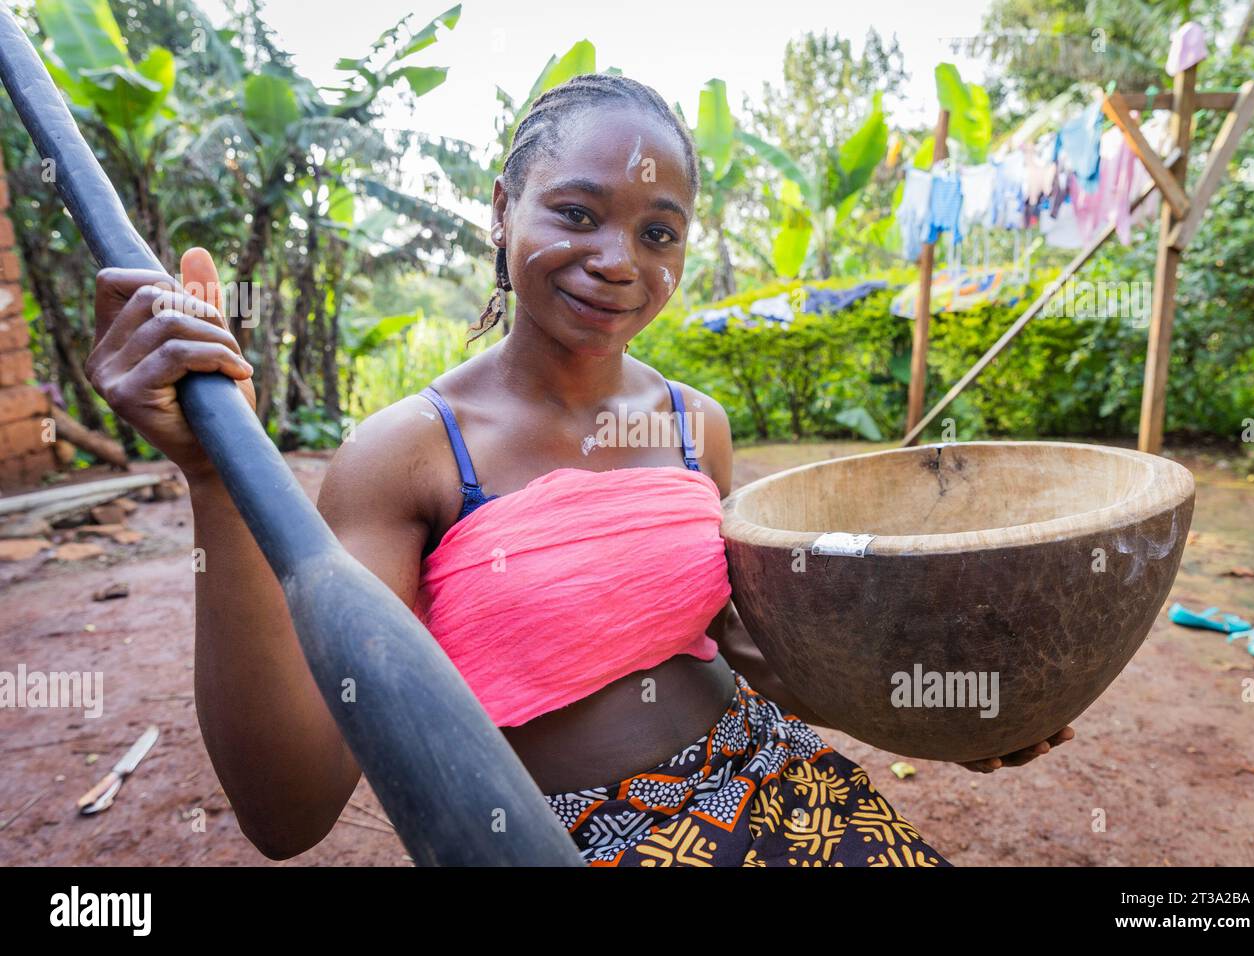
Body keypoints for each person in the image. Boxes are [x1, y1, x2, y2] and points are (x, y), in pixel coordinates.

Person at [88, 74, 1072, 867]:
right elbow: (289, 807)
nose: (618, 260)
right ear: (503, 207)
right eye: (577, 211)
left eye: (659, 232)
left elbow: (759, 659)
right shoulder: (413, 452)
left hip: (774, 786)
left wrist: (943, 716)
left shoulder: (697, 428)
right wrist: (215, 481)